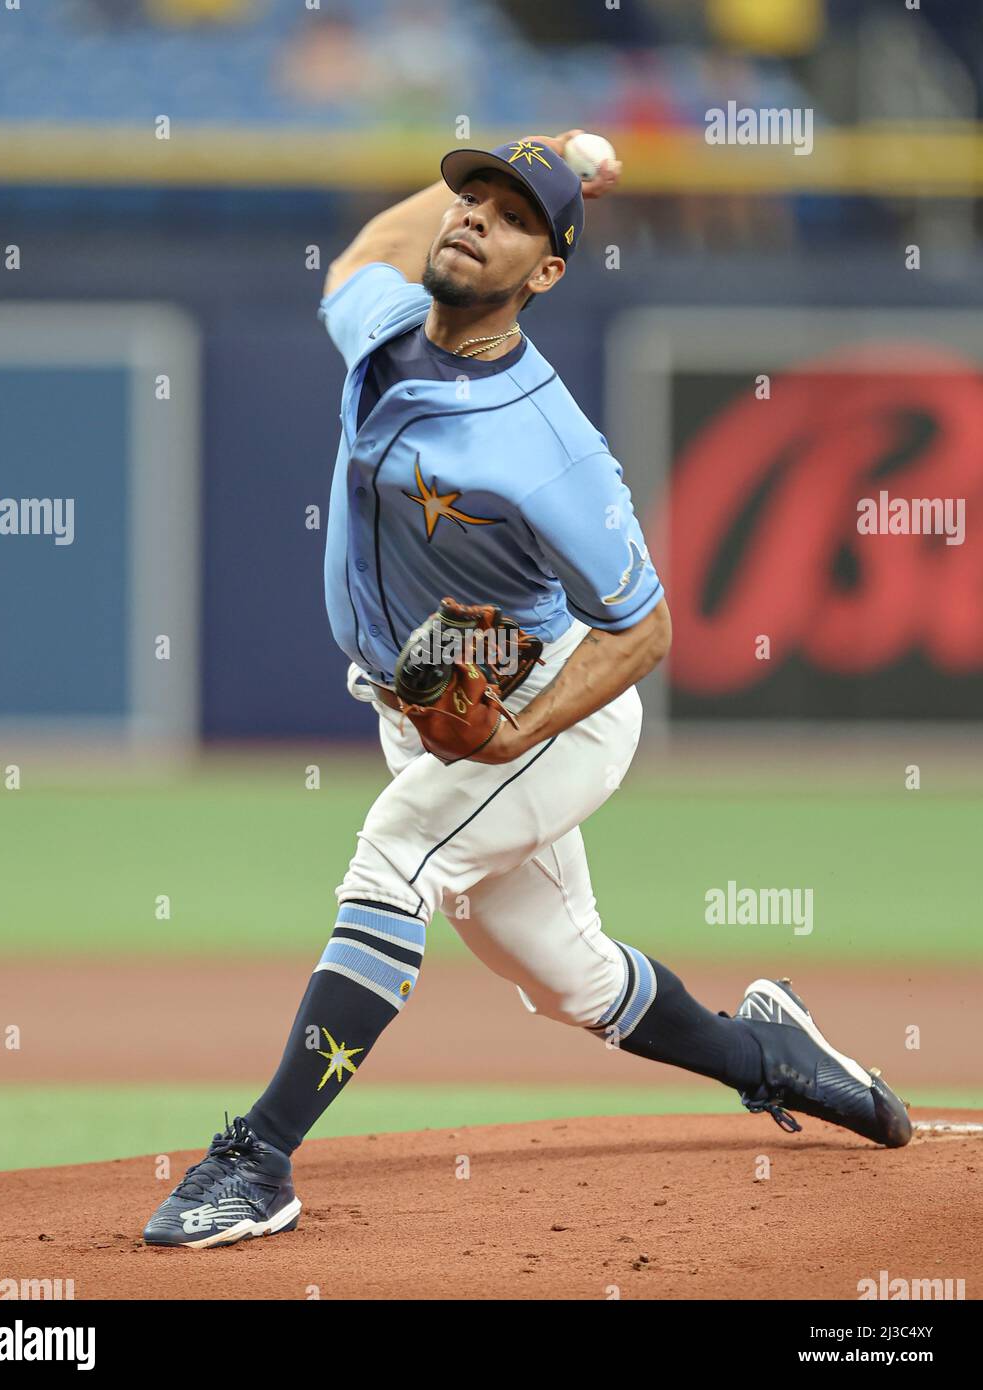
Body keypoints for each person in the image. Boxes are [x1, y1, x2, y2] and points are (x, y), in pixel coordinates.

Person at [143, 130, 910, 1249]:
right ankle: (770, 1051)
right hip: (428, 715)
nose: (471, 219)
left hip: (557, 706)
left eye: (509, 216)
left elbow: (644, 626)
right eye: (468, 200)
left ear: (547, 273)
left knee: (396, 857)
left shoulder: (551, 444)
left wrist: (516, 734)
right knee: (571, 979)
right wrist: (532, 152)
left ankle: (257, 1159)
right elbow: (358, 256)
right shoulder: (384, 326)